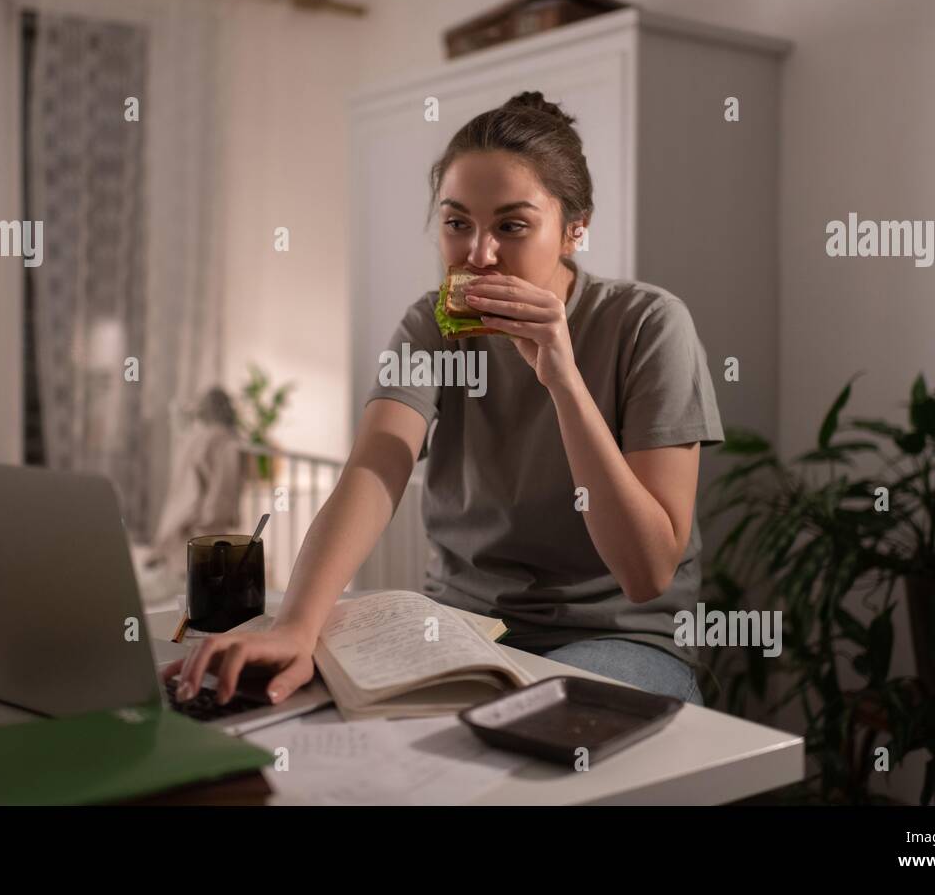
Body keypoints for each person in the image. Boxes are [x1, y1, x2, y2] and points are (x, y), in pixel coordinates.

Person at [163, 91, 725, 709]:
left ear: (573, 230)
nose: (479, 255)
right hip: (462, 625)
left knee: (515, 737)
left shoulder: (649, 325)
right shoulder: (429, 325)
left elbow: (646, 573)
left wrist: (563, 380)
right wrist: (294, 626)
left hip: (618, 639)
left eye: (511, 225)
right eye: (458, 224)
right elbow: (376, 467)